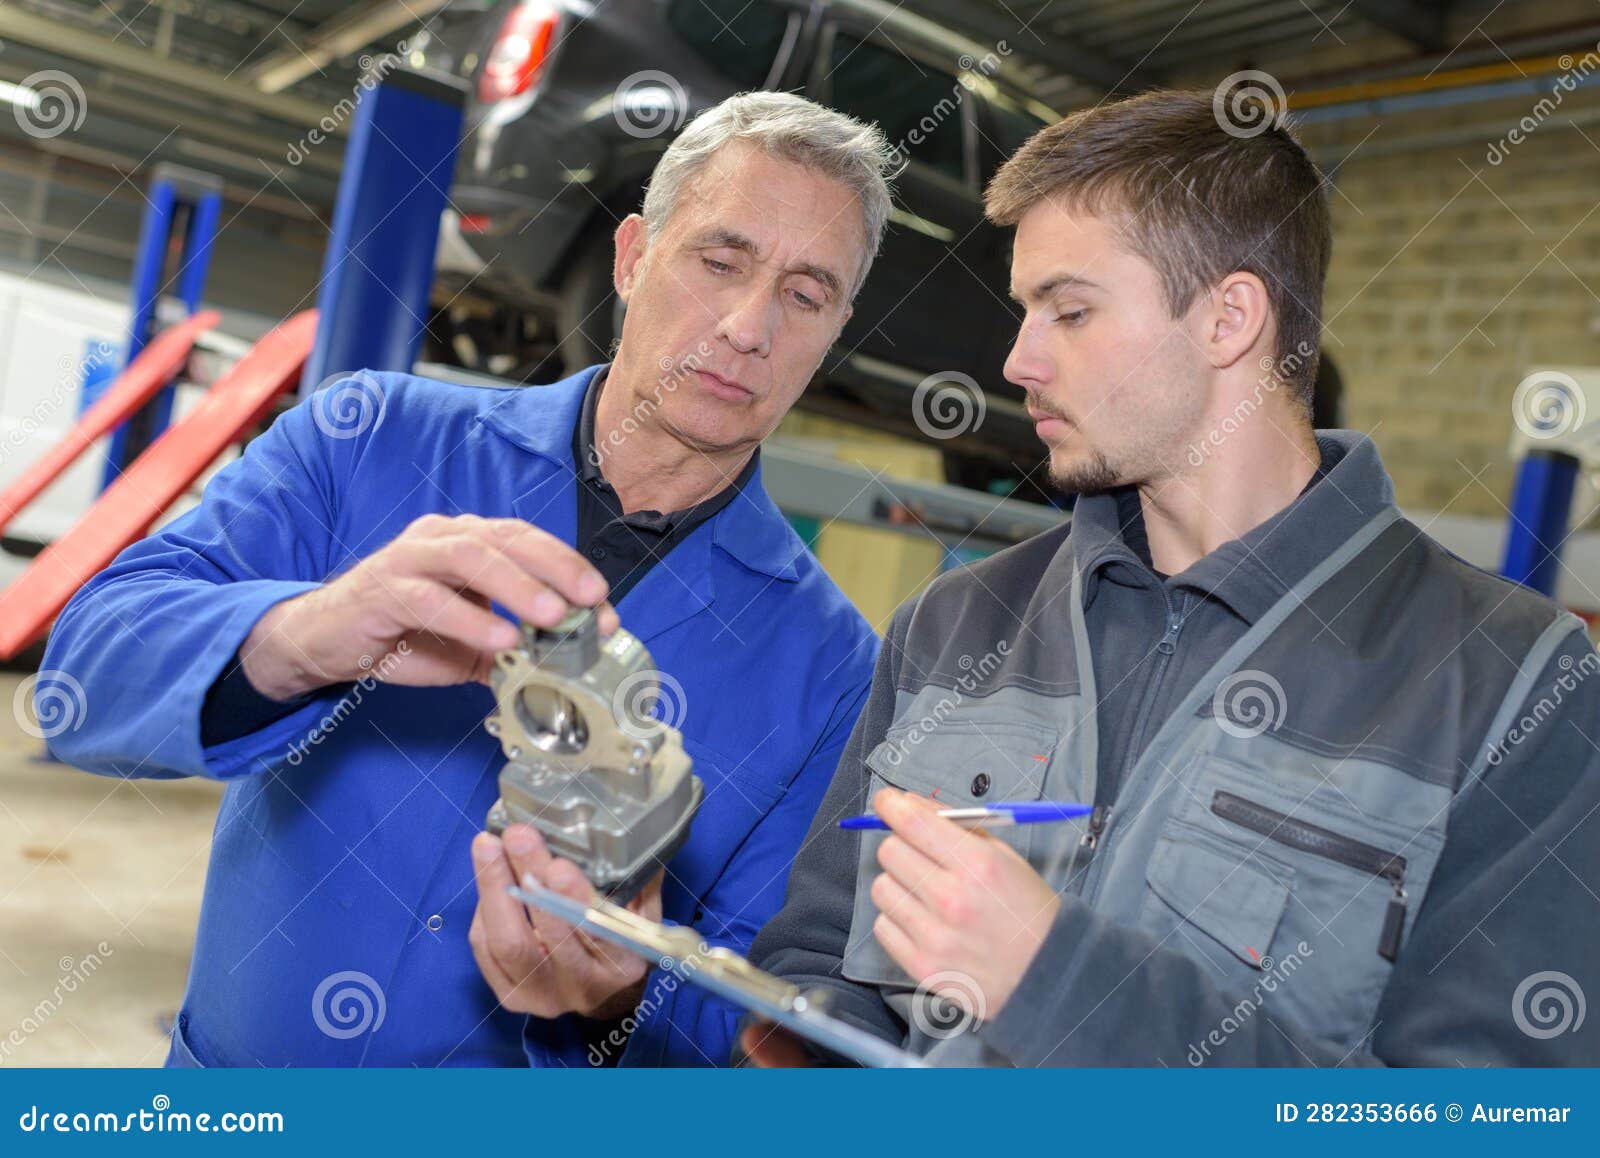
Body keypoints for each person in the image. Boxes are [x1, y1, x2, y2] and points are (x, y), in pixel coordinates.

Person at [741, 88, 1600, 1067]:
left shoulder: (1508, 686)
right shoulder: (953, 626)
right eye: (1026, 312)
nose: (1018, 360)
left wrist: (1060, 981)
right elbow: (814, 962)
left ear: (1228, 319)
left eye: (1069, 310)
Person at [39, 91, 890, 1067]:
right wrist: (301, 633)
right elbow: (81, 676)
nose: (748, 326)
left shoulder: (834, 675)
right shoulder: (363, 440)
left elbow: (760, 1023)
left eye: (804, 293)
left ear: (834, 330)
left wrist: (616, 1001)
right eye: (720, 260)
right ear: (630, 257)